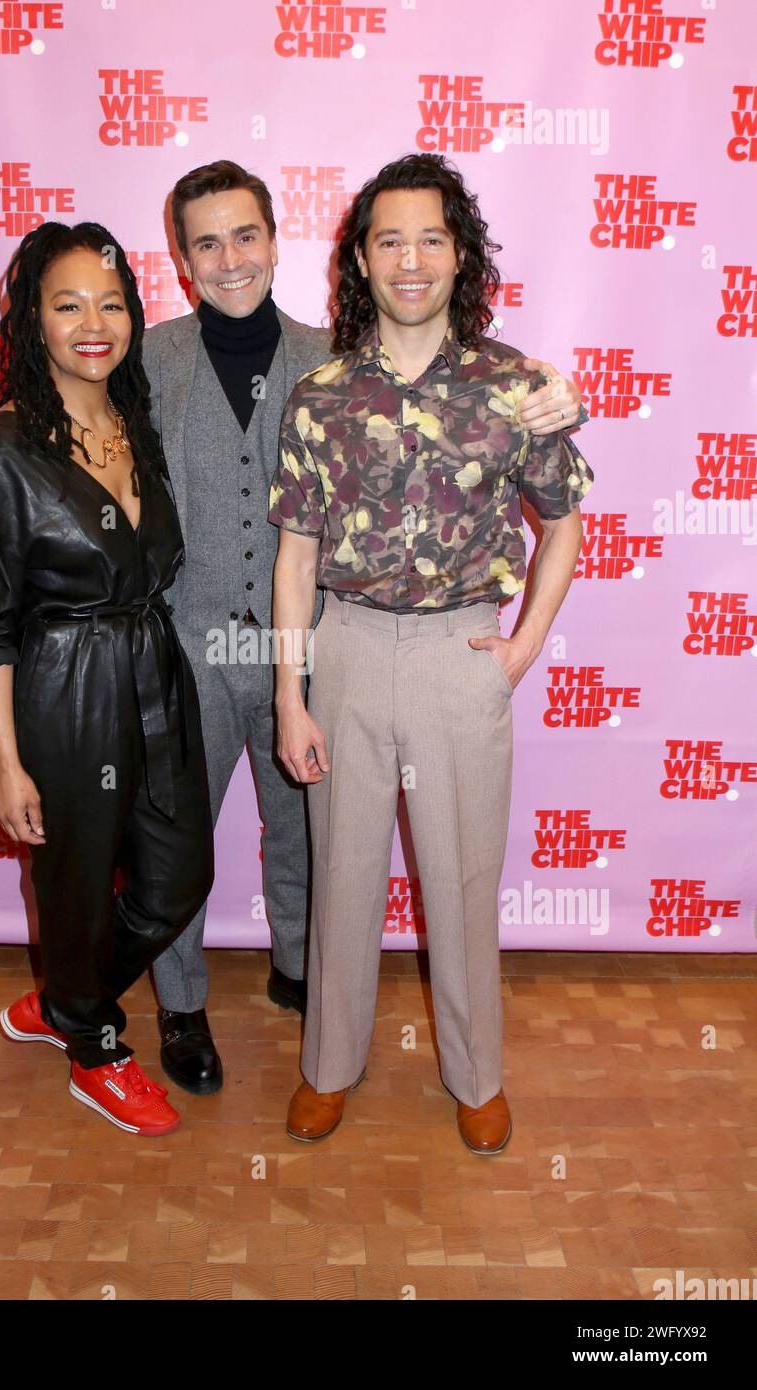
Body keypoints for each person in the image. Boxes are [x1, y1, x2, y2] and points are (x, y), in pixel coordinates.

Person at [0, 160, 587, 1099]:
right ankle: (185, 1005)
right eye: (207, 242)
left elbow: (488, 422)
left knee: (307, 832)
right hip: (186, 648)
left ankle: (297, 969)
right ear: (183, 256)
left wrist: (559, 398)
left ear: (276, 242)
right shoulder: (144, 355)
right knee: (176, 844)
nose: (230, 258)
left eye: (246, 235)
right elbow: (49, 424)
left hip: (309, 643)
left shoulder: (331, 359)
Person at [268, 152, 594, 1153]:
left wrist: (518, 650)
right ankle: (329, 1065)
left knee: (459, 882)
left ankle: (476, 1075)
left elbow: (567, 519)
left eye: (430, 238)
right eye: (388, 239)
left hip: (462, 654)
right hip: (350, 648)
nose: (409, 259)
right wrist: (291, 690)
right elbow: (294, 552)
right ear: (361, 260)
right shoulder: (321, 395)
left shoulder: (517, 386)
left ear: (460, 256)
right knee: (344, 878)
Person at [0, 220, 214, 1137]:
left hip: (155, 675)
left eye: (111, 303)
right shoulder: (2, 456)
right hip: (63, 692)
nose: (93, 323)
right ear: (35, 323)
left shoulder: (136, 420)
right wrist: (6, 767)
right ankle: (94, 1044)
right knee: (74, 877)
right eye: (68, 305)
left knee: (180, 879)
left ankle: (64, 994)